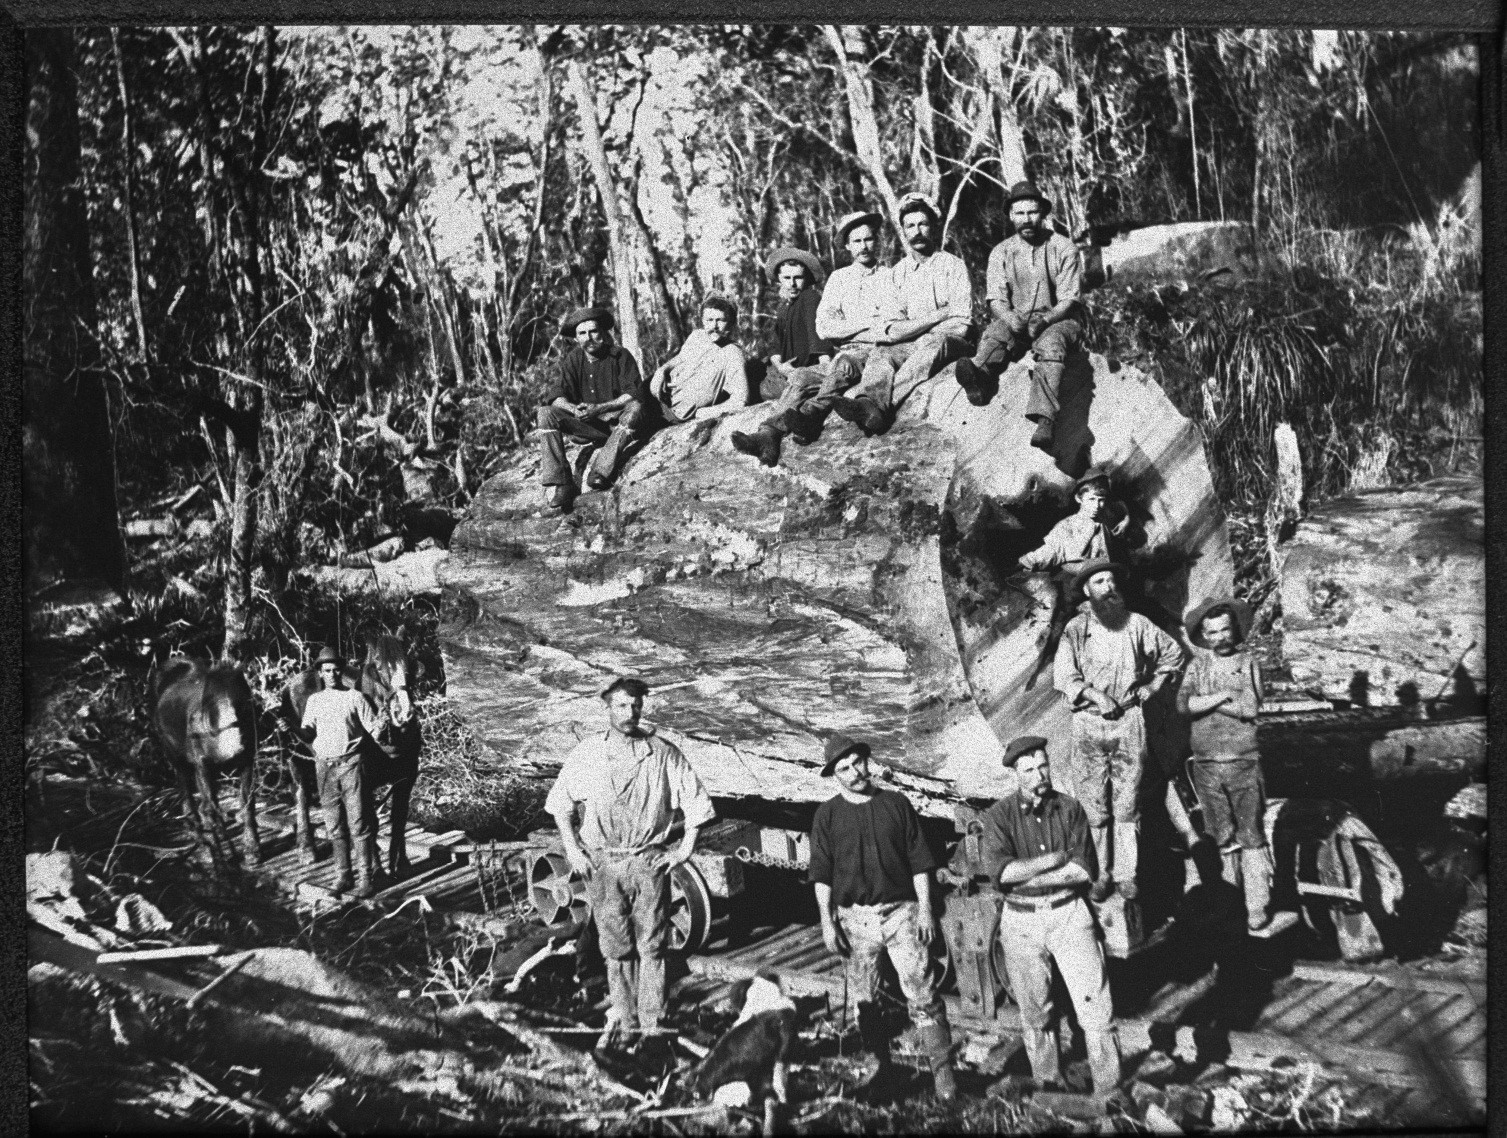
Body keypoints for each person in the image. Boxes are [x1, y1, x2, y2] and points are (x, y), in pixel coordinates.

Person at [545, 676, 716, 1052]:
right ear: (607, 707)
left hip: (647, 861)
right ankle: (625, 1019)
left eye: (636, 705)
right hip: (604, 863)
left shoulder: (662, 753)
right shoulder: (588, 753)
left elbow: (697, 802)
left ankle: (653, 1026)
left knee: (652, 945)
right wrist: (571, 848)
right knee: (616, 947)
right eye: (622, 705)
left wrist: (684, 848)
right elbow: (560, 804)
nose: (630, 712)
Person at [807, 734, 957, 1102]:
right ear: (834, 775)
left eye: (858, 763)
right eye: (844, 769)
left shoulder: (896, 804)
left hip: (901, 914)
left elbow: (921, 862)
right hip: (855, 921)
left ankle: (946, 1084)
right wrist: (827, 922)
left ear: (867, 762)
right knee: (866, 1003)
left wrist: (924, 909)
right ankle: (882, 1076)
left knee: (923, 996)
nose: (854, 772)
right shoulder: (826, 816)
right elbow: (821, 876)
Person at [980, 735, 1121, 1097]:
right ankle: (1048, 1085)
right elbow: (1001, 873)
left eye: (1043, 765)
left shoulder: (1070, 809)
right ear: (1015, 774)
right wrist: (1051, 860)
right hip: (1022, 922)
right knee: (1036, 1013)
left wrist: (1027, 872)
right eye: (1029, 770)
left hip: (1069, 914)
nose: (1040, 774)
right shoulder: (998, 817)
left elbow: (1082, 870)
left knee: (1096, 1008)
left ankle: (1109, 1090)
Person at [1054, 560, 1185, 902]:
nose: (1108, 588)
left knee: (1127, 803)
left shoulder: (1138, 625)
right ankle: (1101, 874)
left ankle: (1128, 874)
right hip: (1088, 724)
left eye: (1112, 581)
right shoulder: (1075, 630)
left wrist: (1154, 686)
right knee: (1094, 804)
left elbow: (1173, 654)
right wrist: (1095, 694)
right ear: (1087, 591)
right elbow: (1063, 676)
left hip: (1129, 722)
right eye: (1099, 582)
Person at [953, 181, 1084, 451]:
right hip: (1018, 320)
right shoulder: (1001, 252)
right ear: (1011, 216)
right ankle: (979, 374)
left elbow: (1070, 298)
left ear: (1043, 214)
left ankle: (1045, 419)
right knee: (997, 333)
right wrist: (1010, 317)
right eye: (1020, 213)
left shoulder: (1063, 247)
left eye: (1032, 212)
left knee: (1051, 345)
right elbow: (996, 298)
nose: (1027, 219)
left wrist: (1047, 320)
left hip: (1057, 320)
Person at [831, 193, 974, 437]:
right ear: (903, 230)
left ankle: (883, 406)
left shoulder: (953, 265)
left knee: (933, 342)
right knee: (882, 351)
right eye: (910, 225)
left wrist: (916, 328)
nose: (916, 231)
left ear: (933, 227)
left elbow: (961, 324)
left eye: (922, 224)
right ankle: (868, 402)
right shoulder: (898, 273)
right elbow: (893, 329)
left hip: (951, 343)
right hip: (911, 344)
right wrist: (938, 316)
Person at [1178, 597, 1272, 931]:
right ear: (1204, 636)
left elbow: (1251, 709)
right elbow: (1184, 705)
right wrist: (1221, 698)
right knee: (1219, 835)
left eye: (1225, 630)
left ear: (1235, 630)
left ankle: (1257, 906)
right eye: (1213, 633)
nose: (1221, 638)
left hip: (1244, 761)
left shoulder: (1248, 662)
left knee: (1251, 833)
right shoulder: (1196, 667)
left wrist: (1209, 703)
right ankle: (1229, 905)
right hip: (1206, 764)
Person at [731, 247, 855, 467]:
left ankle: (768, 436)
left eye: (798, 278)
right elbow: (774, 344)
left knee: (765, 384)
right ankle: (766, 437)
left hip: (802, 371)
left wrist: (822, 366)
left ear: (807, 278)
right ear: (779, 279)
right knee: (750, 368)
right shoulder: (785, 307)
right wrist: (780, 365)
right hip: (783, 371)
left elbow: (818, 336)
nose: (793, 283)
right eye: (787, 278)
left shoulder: (810, 297)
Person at [536, 307, 650, 512]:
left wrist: (602, 408)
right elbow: (556, 395)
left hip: (619, 425)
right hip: (591, 425)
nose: (589, 338)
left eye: (593, 331)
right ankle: (563, 483)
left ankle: (601, 471)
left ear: (603, 333)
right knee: (545, 413)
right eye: (582, 333)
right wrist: (572, 408)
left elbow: (634, 393)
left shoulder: (620, 356)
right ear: (577, 338)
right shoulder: (574, 359)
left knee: (636, 407)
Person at [299, 645, 383, 899]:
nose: (332, 674)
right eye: (327, 670)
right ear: (320, 673)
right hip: (324, 767)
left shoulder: (355, 697)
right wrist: (290, 727)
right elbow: (307, 733)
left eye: (336, 670)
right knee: (334, 826)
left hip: (351, 765)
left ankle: (366, 877)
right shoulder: (314, 701)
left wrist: (387, 719)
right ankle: (343, 875)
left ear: (341, 671)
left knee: (359, 823)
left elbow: (375, 731)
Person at [650, 296, 751, 424]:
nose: (714, 326)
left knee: (634, 415)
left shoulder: (732, 353)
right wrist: (662, 369)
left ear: (730, 322)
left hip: (678, 416)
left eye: (720, 320)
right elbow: (680, 358)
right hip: (661, 399)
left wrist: (706, 412)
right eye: (709, 320)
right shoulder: (697, 336)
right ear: (703, 321)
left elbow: (740, 400)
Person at [1018, 466, 1130, 576]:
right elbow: (1050, 551)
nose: (1096, 506)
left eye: (1101, 500)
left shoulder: (1105, 513)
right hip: (1083, 577)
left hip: (1110, 571)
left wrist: (1126, 519)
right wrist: (1027, 562)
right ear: (1078, 498)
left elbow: (1119, 505)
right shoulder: (1067, 526)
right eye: (1091, 499)